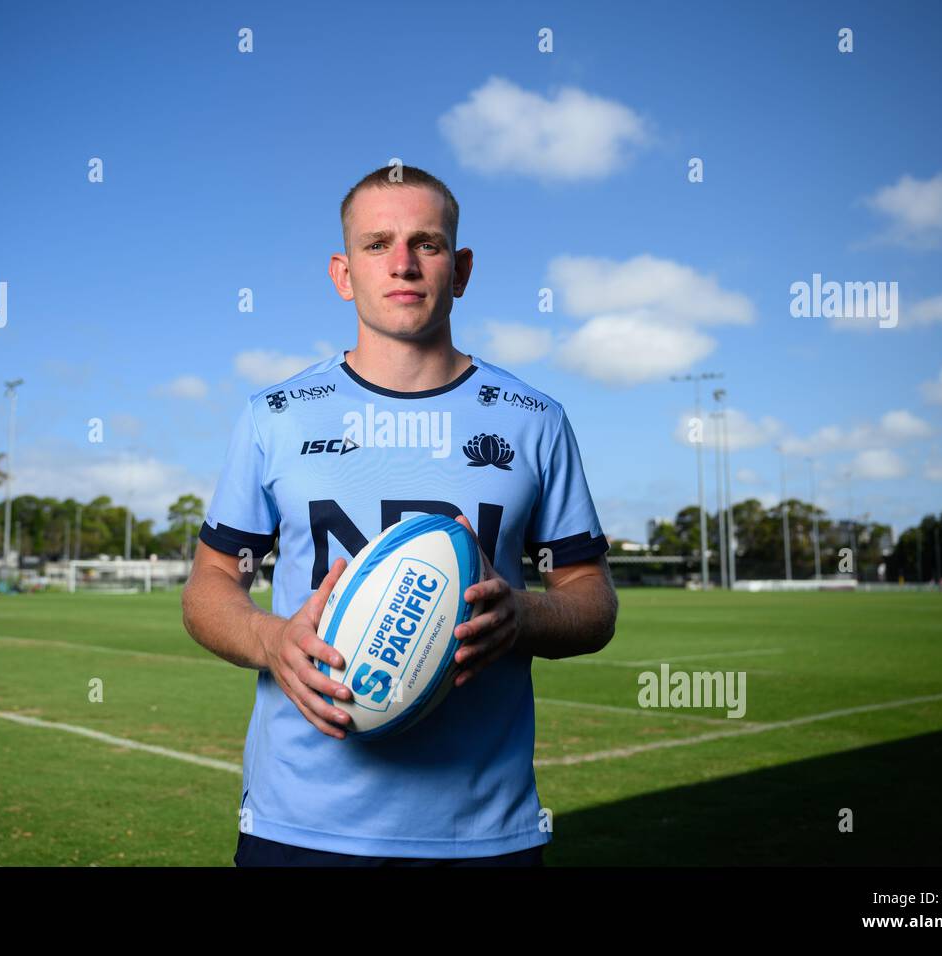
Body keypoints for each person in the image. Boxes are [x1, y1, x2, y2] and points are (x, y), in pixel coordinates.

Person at [181, 165, 619, 866]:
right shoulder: (275, 417)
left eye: (428, 243)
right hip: (299, 826)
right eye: (377, 244)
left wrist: (522, 619)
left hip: (483, 833)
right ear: (342, 273)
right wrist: (270, 641)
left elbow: (592, 601)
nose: (404, 264)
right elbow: (207, 586)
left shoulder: (535, 421)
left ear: (462, 267)